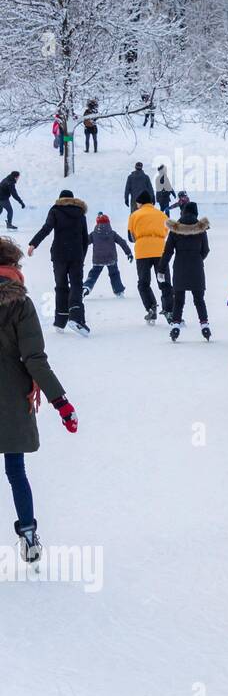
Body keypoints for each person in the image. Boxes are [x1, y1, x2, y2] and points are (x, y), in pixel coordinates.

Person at [0, 237, 78, 568]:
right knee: (15, 469)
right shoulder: (20, 303)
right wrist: (61, 403)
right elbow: (34, 358)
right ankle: (29, 533)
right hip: (11, 395)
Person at [27, 190, 90, 337]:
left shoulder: (55, 210)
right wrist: (81, 256)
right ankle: (76, 317)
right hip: (75, 254)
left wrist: (33, 244)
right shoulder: (80, 212)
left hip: (59, 254)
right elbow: (84, 238)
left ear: (60, 198)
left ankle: (60, 321)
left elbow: (46, 229)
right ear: (73, 199)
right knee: (76, 285)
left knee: (61, 286)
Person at [161, 200, 211, 341]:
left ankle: (175, 327)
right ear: (195, 212)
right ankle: (205, 326)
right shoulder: (201, 229)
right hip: (196, 268)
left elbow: (168, 251)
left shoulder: (175, 229)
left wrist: (161, 268)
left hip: (180, 267)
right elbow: (205, 250)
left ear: (183, 212)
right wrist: (197, 259)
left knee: (179, 301)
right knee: (199, 300)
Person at [127, 191, 172, 325]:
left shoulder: (134, 215)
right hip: (160, 252)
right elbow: (166, 231)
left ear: (140, 202)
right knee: (164, 282)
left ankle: (151, 308)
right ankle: (169, 310)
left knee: (143, 283)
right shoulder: (162, 215)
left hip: (142, 253)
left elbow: (131, 237)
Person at [83, 213, 131, 298]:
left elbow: (84, 243)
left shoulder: (94, 234)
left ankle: (86, 287)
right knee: (114, 274)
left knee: (93, 275)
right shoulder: (112, 233)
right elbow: (122, 242)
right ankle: (119, 291)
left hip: (98, 259)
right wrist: (128, 253)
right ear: (108, 223)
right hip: (111, 258)